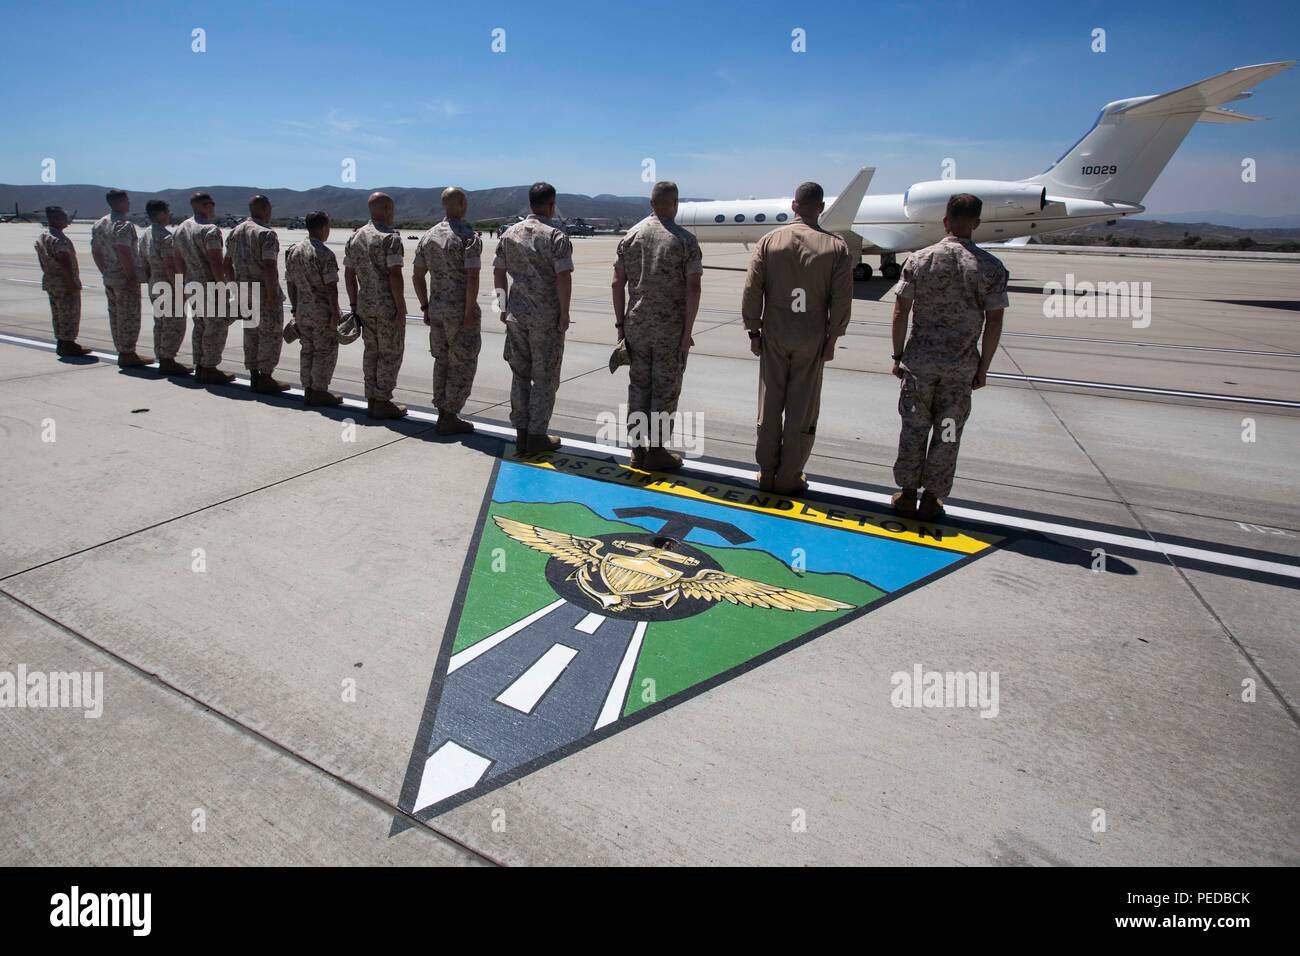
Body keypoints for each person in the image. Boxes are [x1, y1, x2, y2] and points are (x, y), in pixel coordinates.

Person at [889, 193, 1008, 520]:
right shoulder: (991, 268)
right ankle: (932, 498)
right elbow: (995, 321)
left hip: (920, 363)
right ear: (977, 223)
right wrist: (983, 367)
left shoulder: (919, 260)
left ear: (945, 221)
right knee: (948, 431)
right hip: (961, 367)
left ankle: (907, 494)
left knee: (913, 427)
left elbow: (901, 312)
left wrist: (897, 356)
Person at [741, 181, 852, 494]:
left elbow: (752, 290)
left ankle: (766, 471)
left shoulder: (769, 241)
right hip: (811, 334)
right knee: (802, 405)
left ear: (793, 206)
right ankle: (790, 475)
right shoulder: (835, 246)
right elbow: (842, 299)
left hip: (775, 330)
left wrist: (753, 329)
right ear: (821, 207)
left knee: (771, 401)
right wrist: (833, 337)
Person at [611, 180, 702, 470]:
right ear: (674, 204)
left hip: (637, 327)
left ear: (651, 204)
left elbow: (617, 282)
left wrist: (621, 327)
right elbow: (694, 288)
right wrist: (687, 333)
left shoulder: (631, 236)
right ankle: (657, 450)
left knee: (639, 387)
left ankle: (637, 450)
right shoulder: (684, 240)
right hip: (669, 331)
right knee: (664, 389)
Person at [493, 182, 573, 454]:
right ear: (551, 205)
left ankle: (522, 432)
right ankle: (537, 434)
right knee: (544, 377)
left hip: (516, 314)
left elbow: (498, 272)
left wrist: (502, 307)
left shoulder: (508, 235)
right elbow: (563, 277)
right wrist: (565, 313)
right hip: (545, 317)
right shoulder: (556, 237)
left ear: (530, 204)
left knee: (520, 375)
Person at [413, 187, 481, 435]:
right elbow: (472, 277)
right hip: (459, 310)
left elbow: (417, 275)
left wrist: (425, 305)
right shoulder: (467, 236)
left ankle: (442, 412)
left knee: (441, 361)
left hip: (437, 308)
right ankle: (451, 414)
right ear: (462, 203)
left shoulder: (428, 236)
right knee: (462, 362)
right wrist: (468, 311)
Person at [344, 192, 408, 419]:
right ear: (386, 209)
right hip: (387, 305)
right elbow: (394, 275)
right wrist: (400, 307)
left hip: (365, 305)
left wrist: (353, 303)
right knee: (390, 353)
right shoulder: (390, 238)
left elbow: (349, 274)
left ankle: (371, 397)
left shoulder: (356, 237)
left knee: (372, 352)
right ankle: (382, 401)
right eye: (391, 208)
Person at [225, 195, 288, 393]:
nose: (270, 213)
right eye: (268, 209)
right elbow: (269, 267)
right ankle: (266, 377)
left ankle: (254, 375)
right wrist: (271, 296)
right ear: (263, 209)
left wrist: (235, 288)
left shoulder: (235, 232)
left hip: (244, 291)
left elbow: (226, 264)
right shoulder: (265, 234)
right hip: (262, 290)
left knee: (251, 334)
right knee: (269, 334)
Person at [173, 191, 235, 384]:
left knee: (200, 325)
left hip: (192, 284)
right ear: (202, 206)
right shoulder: (210, 230)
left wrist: (183, 281)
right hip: (209, 285)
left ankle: (200, 364)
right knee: (215, 327)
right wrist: (222, 286)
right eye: (210, 203)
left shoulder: (181, 229)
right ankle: (209, 367)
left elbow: (178, 259)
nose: (213, 206)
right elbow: (215, 261)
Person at [285, 211, 344, 406]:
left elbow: (291, 284)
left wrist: (295, 309)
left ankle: (308, 389)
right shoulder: (324, 254)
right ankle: (319, 390)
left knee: (307, 350)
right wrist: (335, 313)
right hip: (321, 312)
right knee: (324, 351)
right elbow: (331, 287)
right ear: (322, 228)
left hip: (303, 310)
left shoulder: (293, 251)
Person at [90, 188, 146, 366]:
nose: (129, 203)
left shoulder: (99, 224)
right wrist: (130, 275)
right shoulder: (123, 225)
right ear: (120, 202)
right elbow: (124, 251)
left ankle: (122, 350)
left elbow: (96, 251)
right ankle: (128, 353)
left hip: (110, 277)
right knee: (129, 316)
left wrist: (104, 271)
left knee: (115, 315)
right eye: (127, 200)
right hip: (123, 278)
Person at [137, 199, 191, 376]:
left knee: (160, 323)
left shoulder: (146, 234)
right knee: (174, 324)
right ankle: (168, 360)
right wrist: (179, 287)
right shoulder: (166, 237)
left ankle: (162, 355)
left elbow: (143, 261)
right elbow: (170, 265)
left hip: (155, 283)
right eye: (167, 212)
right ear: (160, 213)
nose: (169, 215)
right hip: (168, 286)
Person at [33, 206, 91, 356]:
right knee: (69, 313)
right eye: (64, 217)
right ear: (55, 218)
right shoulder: (58, 239)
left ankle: (61, 342)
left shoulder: (43, 236)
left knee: (58, 313)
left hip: (51, 281)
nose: (67, 219)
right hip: (63, 282)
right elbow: (64, 261)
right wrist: (71, 282)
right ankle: (68, 343)